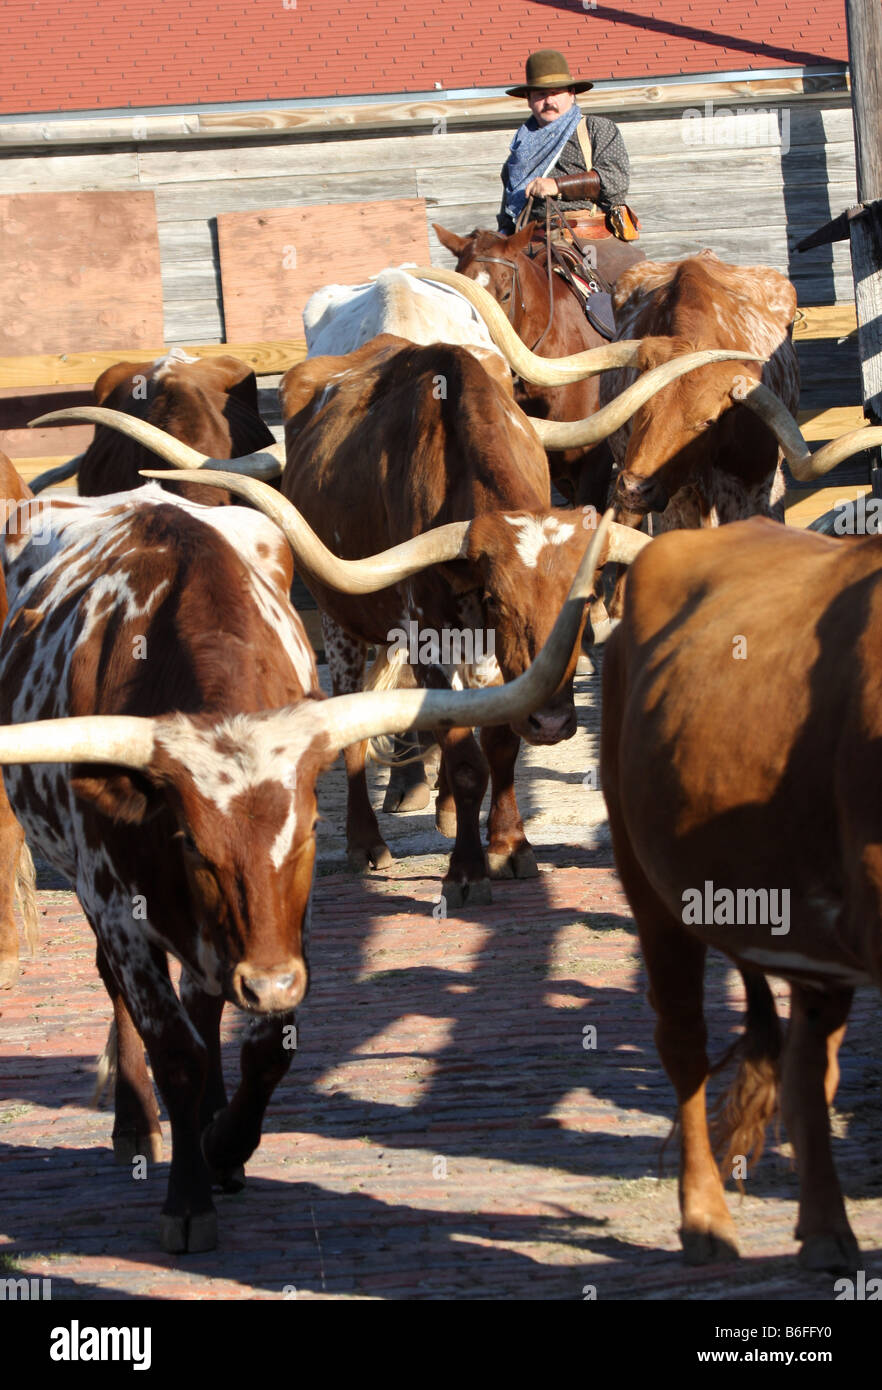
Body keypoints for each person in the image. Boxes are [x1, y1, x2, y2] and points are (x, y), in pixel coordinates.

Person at [498, 49, 630, 235]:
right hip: (527, 235)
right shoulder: (520, 149)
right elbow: (508, 211)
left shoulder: (596, 128)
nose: (549, 101)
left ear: (571, 93)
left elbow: (615, 179)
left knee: (624, 264)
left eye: (555, 92)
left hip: (585, 232)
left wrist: (557, 185)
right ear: (528, 100)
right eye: (541, 94)